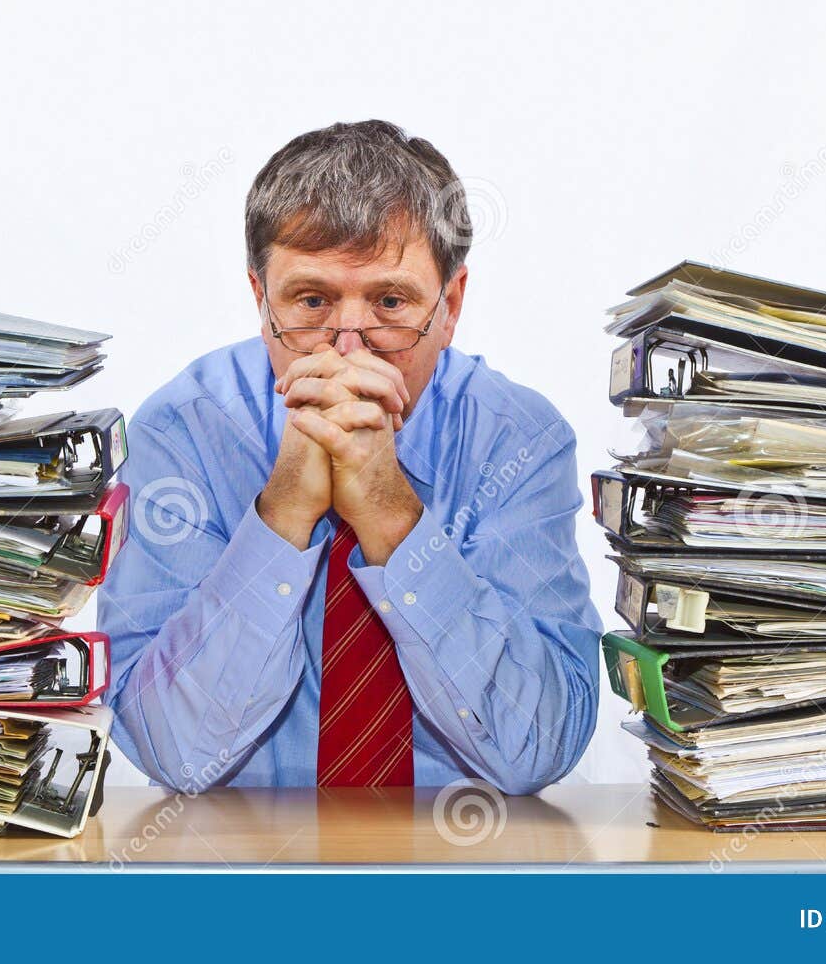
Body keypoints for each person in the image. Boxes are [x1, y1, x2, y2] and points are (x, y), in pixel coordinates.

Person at [98, 120, 601, 793]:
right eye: (312, 301)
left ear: (450, 304)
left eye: (390, 302)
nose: (348, 349)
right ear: (260, 298)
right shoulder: (183, 431)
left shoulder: (518, 440)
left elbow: (540, 746)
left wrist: (392, 517)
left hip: (457, 853)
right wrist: (282, 513)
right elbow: (172, 752)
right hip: (242, 856)